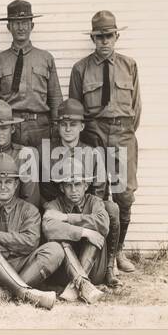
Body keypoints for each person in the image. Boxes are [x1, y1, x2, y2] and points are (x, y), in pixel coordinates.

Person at [68, 9, 141, 275]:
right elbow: (75, 110)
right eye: (99, 37)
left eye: (109, 36)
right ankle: (98, 259)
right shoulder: (81, 69)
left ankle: (118, 252)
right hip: (94, 137)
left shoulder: (129, 66)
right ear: (93, 38)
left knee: (123, 196)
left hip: (122, 136)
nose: (104, 42)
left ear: (116, 36)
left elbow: (136, 108)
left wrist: (124, 133)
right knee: (96, 196)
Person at [0, 152, 61, 309]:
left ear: (16, 184)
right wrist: (14, 244)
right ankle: (25, 292)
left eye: (8, 182)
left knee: (55, 249)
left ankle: (6, 293)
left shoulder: (29, 210)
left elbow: (31, 242)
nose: (3, 187)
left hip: (22, 266)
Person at [48, 98, 120, 287]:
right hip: (59, 205)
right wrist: (55, 211)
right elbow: (45, 190)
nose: (68, 129)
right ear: (58, 127)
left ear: (82, 126)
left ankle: (110, 267)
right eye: (63, 124)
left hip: (85, 207)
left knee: (111, 209)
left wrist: (74, 215)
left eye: (73, 124)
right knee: (48, 216)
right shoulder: (47, 153)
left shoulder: (93, 153)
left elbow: (98, 192)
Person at [0, 0, 63, 151]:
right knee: (10, 169)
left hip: (40, 127)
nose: (21, 27)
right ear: (9, 27)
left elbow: (55, 97)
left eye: (25, 22)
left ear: (32, 26)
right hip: (10, 127)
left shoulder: (46, 58)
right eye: (16, 23)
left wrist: (56, 129)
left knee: (41, 170)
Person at [41, 160, 111, 304]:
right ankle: (83, 284)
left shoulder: (95, 202)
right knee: (60, 238)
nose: (73, 190)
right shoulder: (54, 204)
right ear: (61, 188)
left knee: (96, 235)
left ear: (86, 186)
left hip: (94, 269)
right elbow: (48, 228)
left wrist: (67, 217)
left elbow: (103, 224)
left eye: (78, 184)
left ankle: (75, 286)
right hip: (64, 272)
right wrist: (85, 232)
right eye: (68, 185)